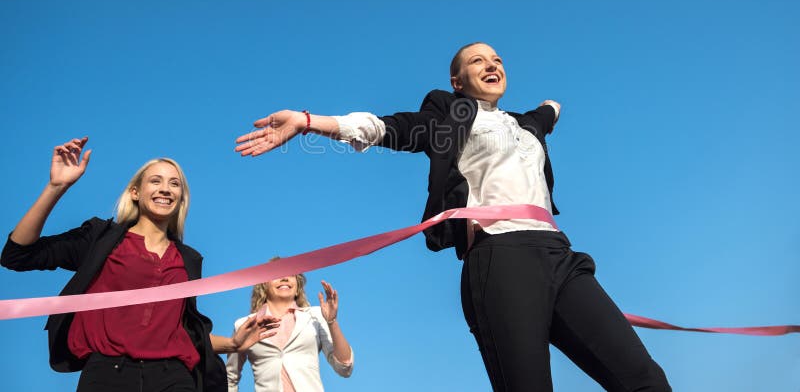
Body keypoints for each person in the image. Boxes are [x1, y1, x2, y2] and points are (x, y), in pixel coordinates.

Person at [234, 42, 671, 391]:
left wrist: (551, 109)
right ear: (457, 81)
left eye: (497, 58)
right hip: (500, 257)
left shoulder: (525, 125)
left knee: (645, 380)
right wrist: (309, 121)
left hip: (559, 255)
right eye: (477, 60)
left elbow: (545, 115)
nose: (491, 63)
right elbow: (389, 127)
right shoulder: (451, 116)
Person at [1, 137, 278, 392]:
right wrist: (56, 187)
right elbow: (17, 255)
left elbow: (181, 332)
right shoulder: (101, 238)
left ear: (181, 197)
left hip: (175, 377)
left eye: (174, 183)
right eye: (155, 181)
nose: (165, 189)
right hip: (107, 373)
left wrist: (232, 344)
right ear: (135, 192)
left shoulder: (188, 259)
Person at [226, 263, 353, 392]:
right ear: (264, 285)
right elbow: (230, 379)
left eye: (290, 274)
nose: (284, 278)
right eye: (276, 274)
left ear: (297, 286)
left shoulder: (315, 316)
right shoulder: (244, 325)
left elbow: (345, 368)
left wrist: (332, 321)